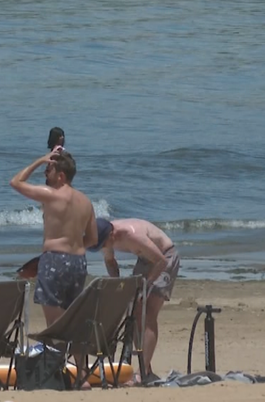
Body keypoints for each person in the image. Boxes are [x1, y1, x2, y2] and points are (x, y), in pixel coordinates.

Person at [10, 150, 97, 327]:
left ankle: (57, 354)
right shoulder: (86, 202)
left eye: (48, 169)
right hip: (79, 263)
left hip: (55, 260)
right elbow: (93, 238)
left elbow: (16, 182)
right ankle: (75, 353)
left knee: (54, 323)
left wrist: (39, 160)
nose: (45, 172)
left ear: (61, 176)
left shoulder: (51, 194)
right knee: (71, 318)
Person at [89, 218, 181, 382]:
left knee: (148, 312)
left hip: (164, 257)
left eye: (103, 244)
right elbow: (110, 261)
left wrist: (146, 286)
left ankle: (143, 371)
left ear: (111, 235)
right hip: (146, 259)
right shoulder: (104, 236)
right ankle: (147, 367)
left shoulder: (132, 235)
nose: (104, 248)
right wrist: (118, 286)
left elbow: (161, 261)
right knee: (134, 310)